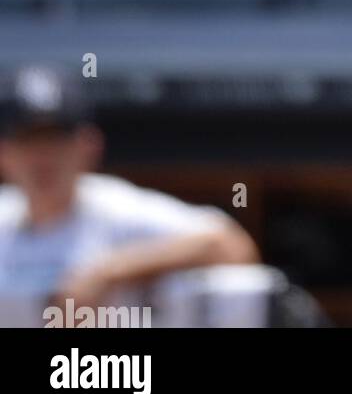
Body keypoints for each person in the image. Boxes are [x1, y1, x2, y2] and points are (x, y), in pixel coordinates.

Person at [0, 65, 257, 328]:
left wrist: (108, 273)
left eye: (55, 138)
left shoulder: (115, 208)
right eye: (28, 139)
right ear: (4, 152)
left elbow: (231, 245)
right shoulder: (4, 216)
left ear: (88, 145)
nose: (42, 157)